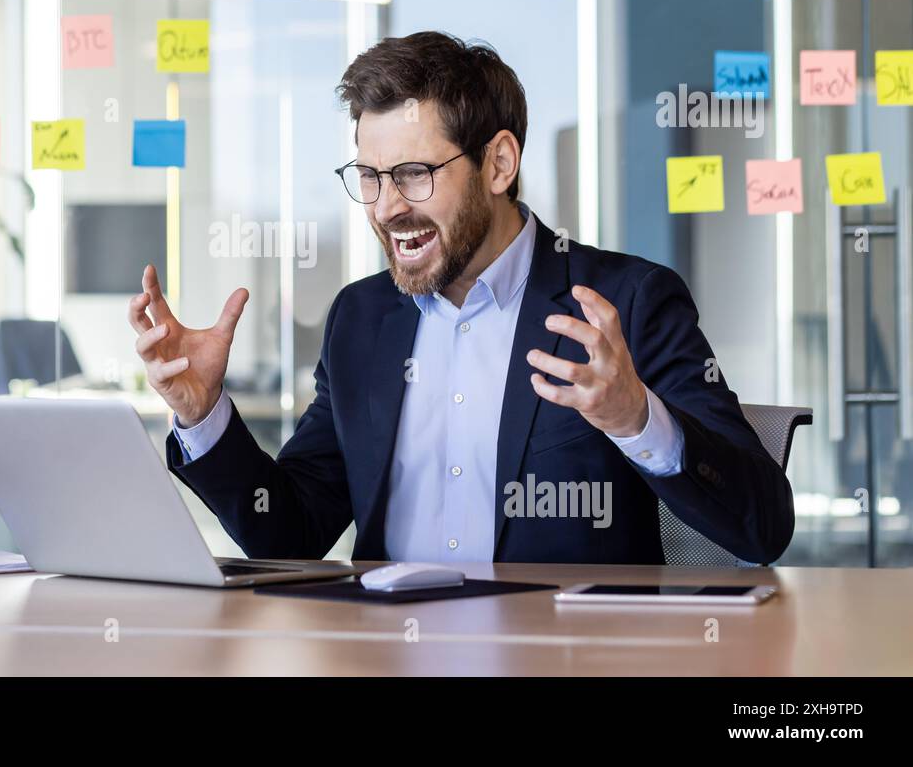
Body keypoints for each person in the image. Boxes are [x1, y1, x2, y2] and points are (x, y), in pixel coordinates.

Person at [126, 31, 794, 565]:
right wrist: (205, 415)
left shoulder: (626, 302)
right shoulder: (361, 320)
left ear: (498, 165)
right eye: (369, 177)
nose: (387, 207)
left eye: (414, 175)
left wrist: (636, 417)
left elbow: (762, 529)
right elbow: (290, 532)